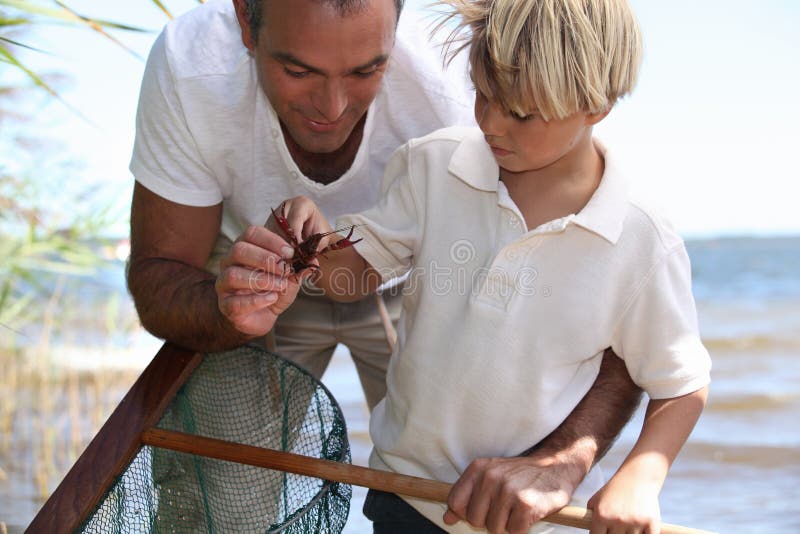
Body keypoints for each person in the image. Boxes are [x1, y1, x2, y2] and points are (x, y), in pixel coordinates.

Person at [127, 0, 644, 529]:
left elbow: (610, 316)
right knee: (220, 496)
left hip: (433, 272)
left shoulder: (466, 84)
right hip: (259, 262)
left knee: (466, 483)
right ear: (245, 21)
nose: (331, 106)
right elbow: (160, 272)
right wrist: (225, 308)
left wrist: (561, 462)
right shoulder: (191, 65)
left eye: (366, 70)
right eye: (298, 70)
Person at [261, 0, 712, 532]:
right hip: (403, 490)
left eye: (521, 112)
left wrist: (640, 476)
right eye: (482, 95)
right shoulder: (435, 164)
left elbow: (680, 384)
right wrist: (310, 244)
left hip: (523, 518)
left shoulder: (641, 238)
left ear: (598, 105)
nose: (491, 124)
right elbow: (354, 276)